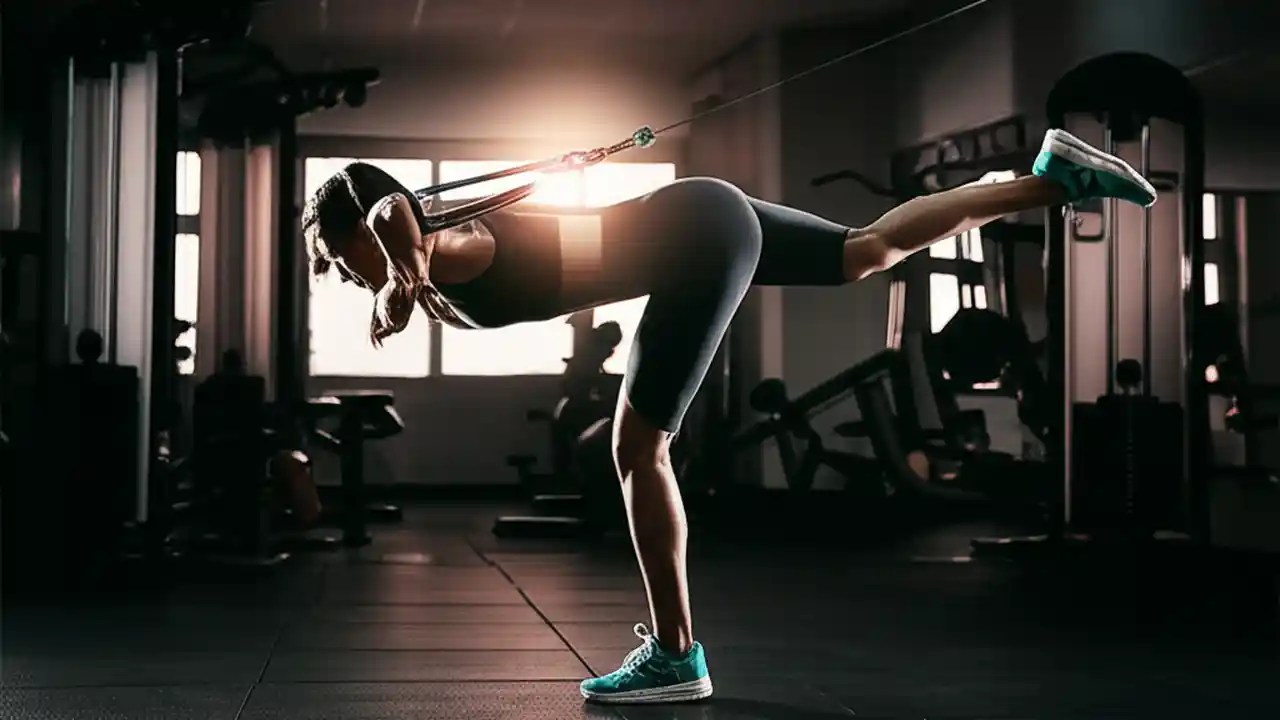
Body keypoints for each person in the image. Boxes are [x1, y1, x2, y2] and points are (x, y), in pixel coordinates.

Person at [302, 127, 1156, 705]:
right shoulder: (435, 247)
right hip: (706, 215)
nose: (346, 273)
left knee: (639, 449)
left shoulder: (442, 241)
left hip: (692, 236)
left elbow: (389, 213)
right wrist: (399, 280)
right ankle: (1046, 180)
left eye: (340, 259)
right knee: (867, 250)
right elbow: (390, 222)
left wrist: (399, 278)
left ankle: (676, 655)